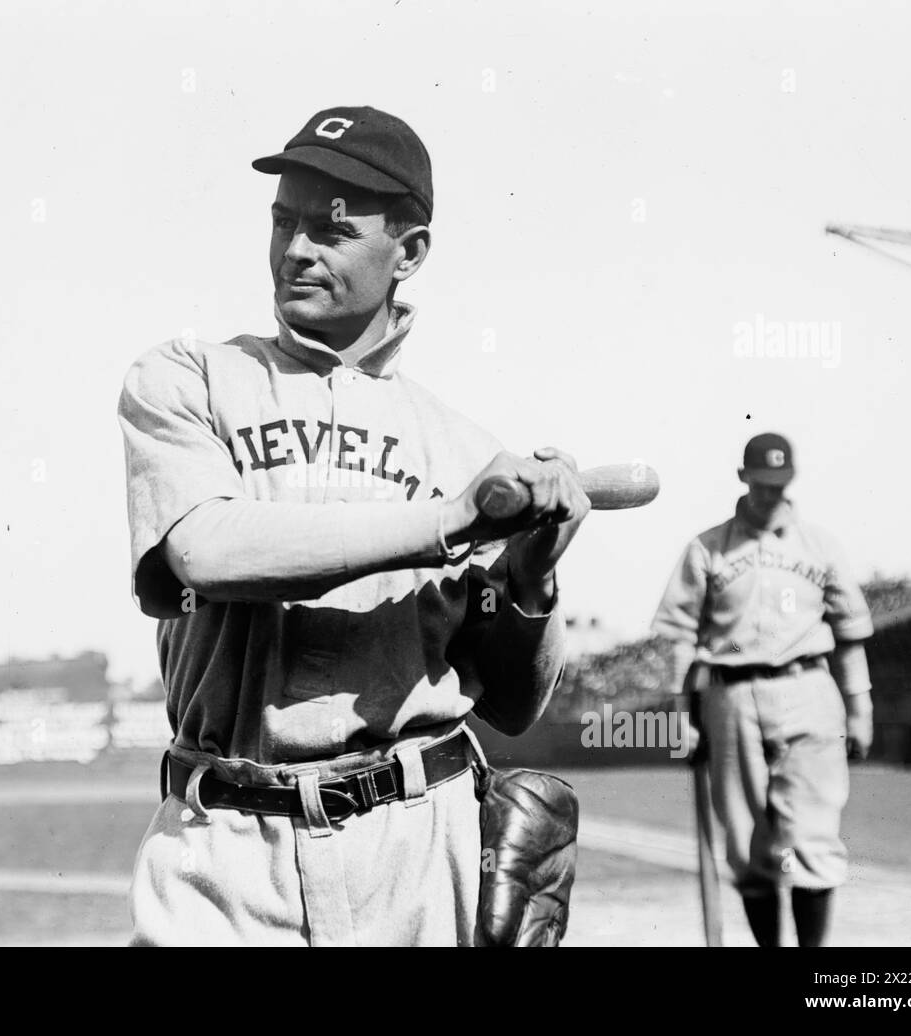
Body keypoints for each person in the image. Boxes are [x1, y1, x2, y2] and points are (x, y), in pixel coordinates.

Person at [116, 105, 588, 946]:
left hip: (412, 843)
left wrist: (531, 577)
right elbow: (204, 551)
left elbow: (512, 702)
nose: (297, 250)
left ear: (408, 252)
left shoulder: (464, 447)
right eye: (284, 222)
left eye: (331, 232)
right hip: (223, 842)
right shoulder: (192, 378)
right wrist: (451, 520)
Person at [652, 432, 874, 947]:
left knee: (812, 840)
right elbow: (679, 639)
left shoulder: (820, 545)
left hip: (809, 688)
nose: (771, 493)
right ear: (743, 477)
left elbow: (851, 635)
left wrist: (860, 708)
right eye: (763, 482)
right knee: (749, 846)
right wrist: (682, 717)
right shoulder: (706, 548)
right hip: (731, 696)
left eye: (781, 483)